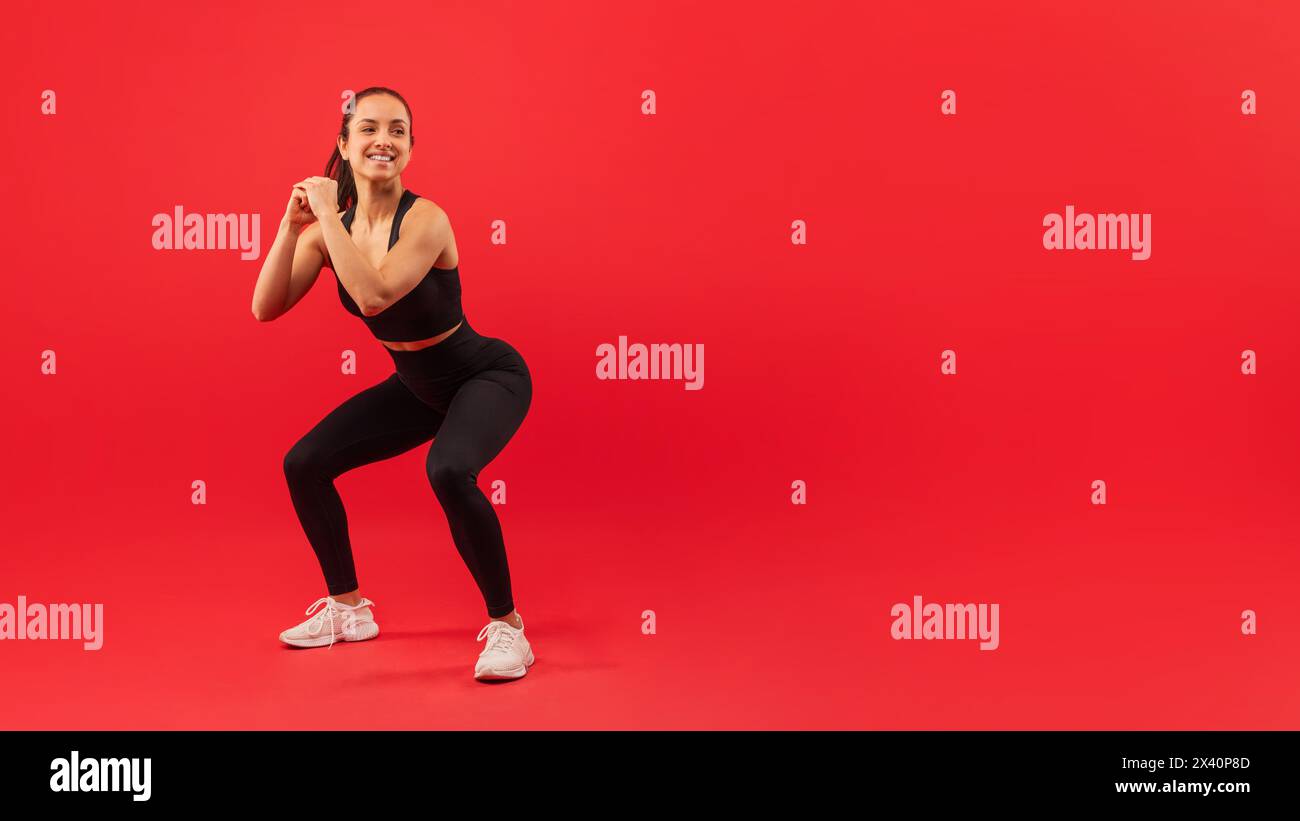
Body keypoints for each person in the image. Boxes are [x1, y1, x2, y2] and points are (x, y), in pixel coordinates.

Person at [250, 86, 535, 681]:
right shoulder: (330, 228)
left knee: (448, 470)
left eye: (398, 130)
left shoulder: (427, 219)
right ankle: (348, 610)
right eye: (371, 129)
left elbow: (375, 295)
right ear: (345, 145)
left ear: (409, 147)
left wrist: (328, 218)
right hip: (417, 385)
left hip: (485, 375)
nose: (384, 140)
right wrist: (291, 224)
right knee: (304, 462)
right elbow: (265, 308)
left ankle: (509, 629)